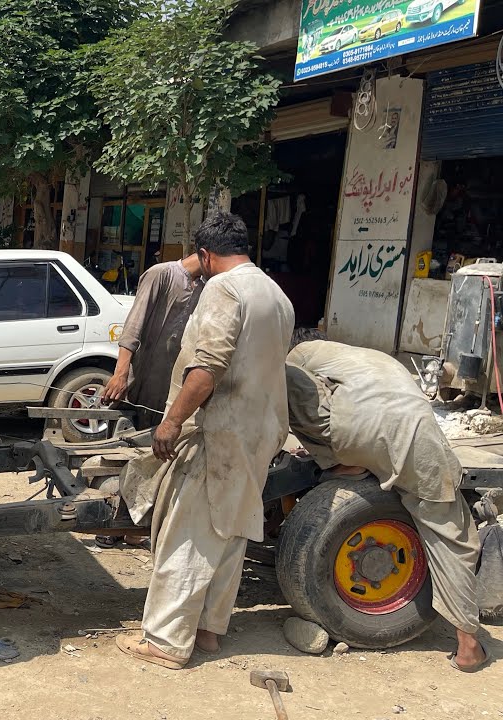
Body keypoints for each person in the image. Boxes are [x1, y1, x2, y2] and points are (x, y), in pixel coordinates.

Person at [116, 212, 294, 669]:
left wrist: (172, 421)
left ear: (205, 255)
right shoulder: (275, 294)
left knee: (188, 532)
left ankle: (166, 641)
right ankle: (210, 631)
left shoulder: (223, 289)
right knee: (231, 529)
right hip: (261, 431)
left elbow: (207, 366)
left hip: (220, 429)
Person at [285, 340, 488, 672]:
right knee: (452, 537)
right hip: (414, 436)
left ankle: (344, 463)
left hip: (352, 433)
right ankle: (468, 647)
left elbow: (298, 394)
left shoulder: (299, 357)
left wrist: (319, 449)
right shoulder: (376, 362)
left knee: (284, 381)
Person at [102, 252, 204, 425]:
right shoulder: (161, 274)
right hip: (140, 379)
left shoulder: (204, 287)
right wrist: (121, 374)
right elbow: (133, 326)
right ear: (207, 256)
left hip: (168, 385)